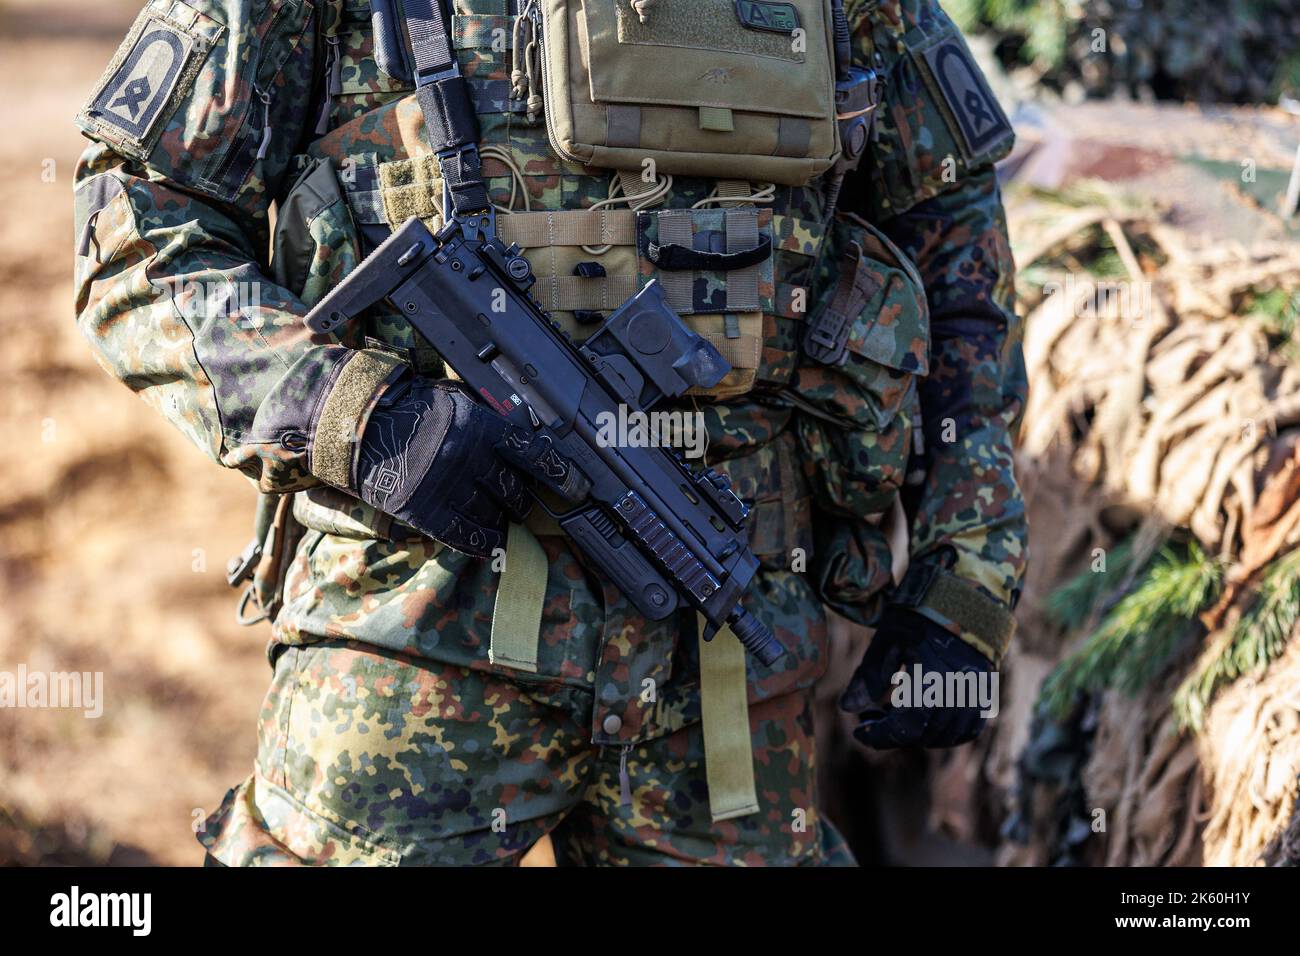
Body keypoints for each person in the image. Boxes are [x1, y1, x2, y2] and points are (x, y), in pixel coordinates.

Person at [72, 0, 1026, 866]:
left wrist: (964, 576)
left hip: (729, 651)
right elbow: (135, 227)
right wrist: (357, 415)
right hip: (412, 629)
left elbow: (960, 268)